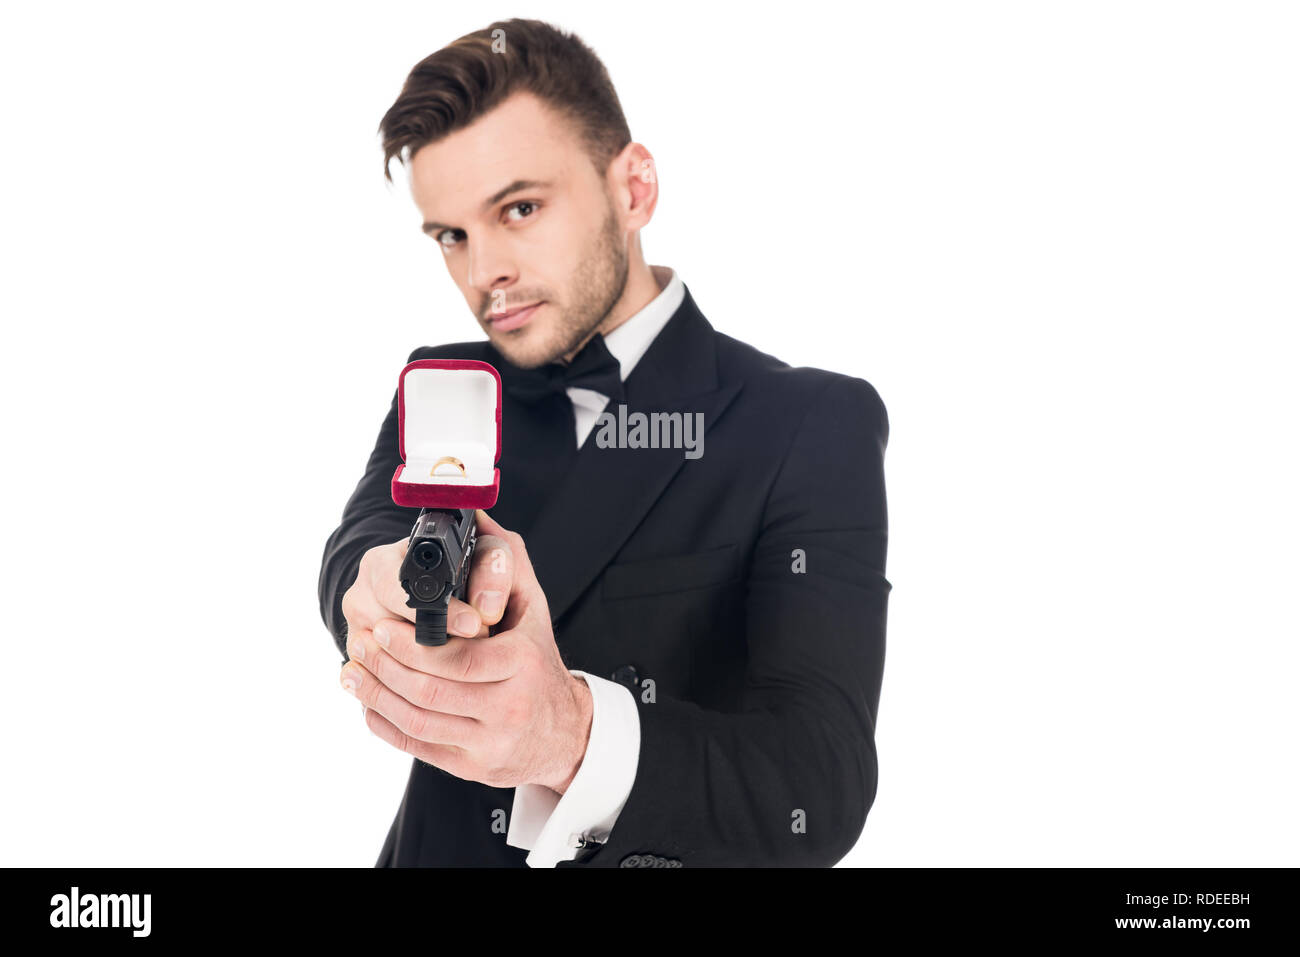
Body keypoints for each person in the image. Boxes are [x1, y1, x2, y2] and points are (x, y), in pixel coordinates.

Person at [317, 17, 891, 867]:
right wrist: (373, 588)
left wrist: (570, 733)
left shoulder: (809, 423)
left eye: (519, 208)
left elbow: (818, 780)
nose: (484, 273)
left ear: (633, 189)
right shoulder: (448, 384)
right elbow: (363, 540)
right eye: (453, 235)